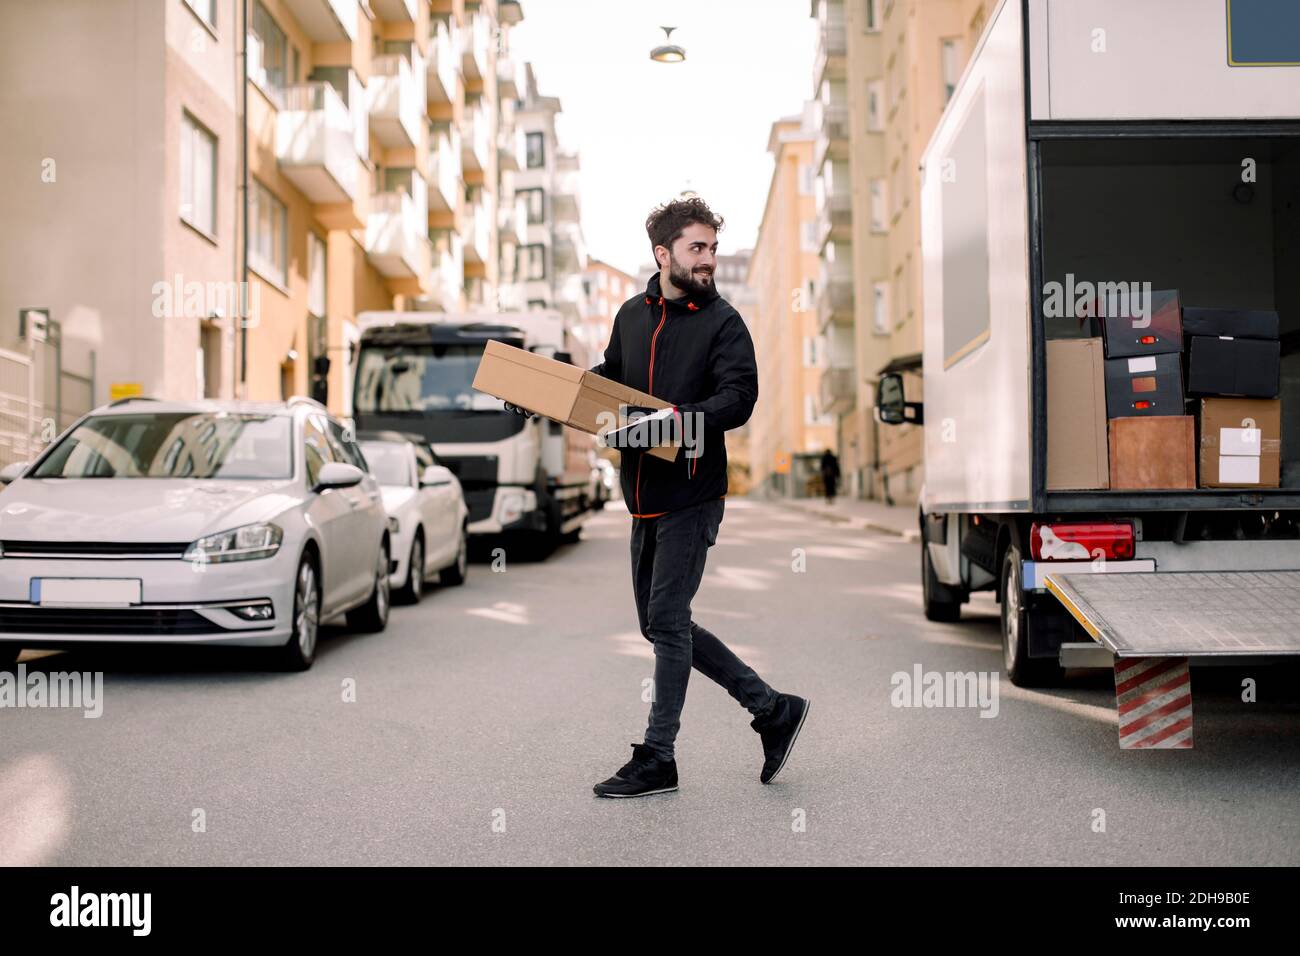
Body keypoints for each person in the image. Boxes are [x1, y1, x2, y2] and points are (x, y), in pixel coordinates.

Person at [506, 197, 810, 797]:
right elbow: (606, 387)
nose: (709, 260)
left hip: (693, 491)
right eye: (698, 248)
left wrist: (673, 421)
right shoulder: (630, 316)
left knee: (668, 621)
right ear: (663, 253)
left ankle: (659, 756)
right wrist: (540, 394)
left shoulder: (723, 322)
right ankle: (771, 708)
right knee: (658, 624)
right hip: (641, 493)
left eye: (713, 249)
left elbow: (738, 399)